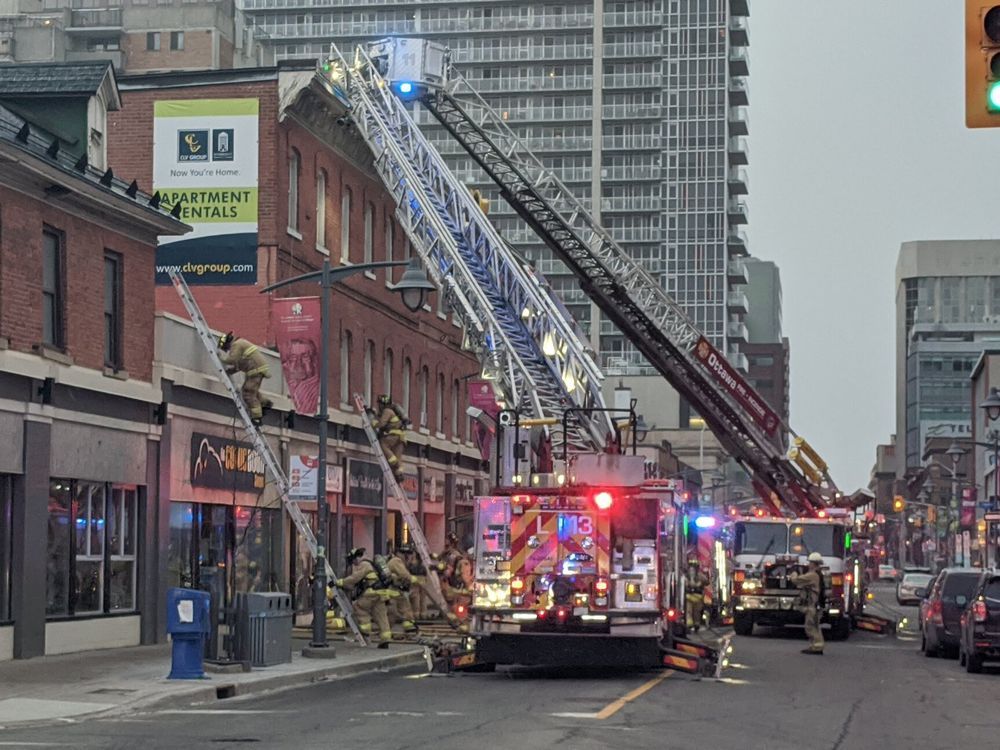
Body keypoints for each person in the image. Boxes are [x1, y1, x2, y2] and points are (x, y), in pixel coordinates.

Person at [334, 547, 393, 648]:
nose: (354, 564)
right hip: (381, 593)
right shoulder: (372, 564)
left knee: (359, 607)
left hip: (371, 592)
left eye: (353, 561)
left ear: (357, 557)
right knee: (381, 615)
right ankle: (385, 638)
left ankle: (366, 632)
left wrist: (341, 582)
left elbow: (355, 577)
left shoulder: (364, 564)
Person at [218, 332, 272, 426]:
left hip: (255, 370)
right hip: (257, 369)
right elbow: (239, 364)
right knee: (253, 391)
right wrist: (230, 371)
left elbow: (232, 360)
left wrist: (221, 358)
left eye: (226, 348)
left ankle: (257, 418)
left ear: (227, 343)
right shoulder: (241, 344)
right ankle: (265, 403)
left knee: (248, 393)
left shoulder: (236, 344)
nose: (227, 350)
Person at [791, 551, 826, 655]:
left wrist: (794, 574)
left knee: (810, 626)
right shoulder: (818, 574)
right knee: (815, 626)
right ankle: (816, 645)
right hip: (816, 605)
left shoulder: (812, 575)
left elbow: (796, 581)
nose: (808, 564)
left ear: (814, 563)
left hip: (812, 605)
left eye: (810, 562)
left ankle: (817, 647)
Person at [371, 394, 408, 482]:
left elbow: (381, 424)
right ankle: (399, 473)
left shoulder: (387, 411)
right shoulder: (393, 412)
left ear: (382, 404)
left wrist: (373, 424)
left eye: (379, 404)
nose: (379, 406)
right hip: (401, 438)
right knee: (398, 457)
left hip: (393, 436)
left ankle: (395, 465)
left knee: (383, 444)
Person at [386, 544, 419, 635]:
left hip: (394, 590)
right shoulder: (396, 561)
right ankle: (386, 630)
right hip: (392, 590)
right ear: (398, 553)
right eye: (405, 553)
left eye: (409, 553)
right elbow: (404, 574)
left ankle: (407, 627)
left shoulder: (398, 561)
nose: (407, 556)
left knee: (398, 610)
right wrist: (415, 579)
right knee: (400, 609)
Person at [284, 338, 320, 415]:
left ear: (313, 360)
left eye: (305, 356)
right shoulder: (285, 383)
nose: (298, 362)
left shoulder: (315, 388)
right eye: (293, 357)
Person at [685, 559, 709, 632]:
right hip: (690, 597)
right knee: (690, 611)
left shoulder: (700, 576)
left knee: (695, 612)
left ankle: (696, 625)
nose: (692, 569)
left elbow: (707, 582)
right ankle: (690, 625)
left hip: (697, 597)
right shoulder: (686, 576)